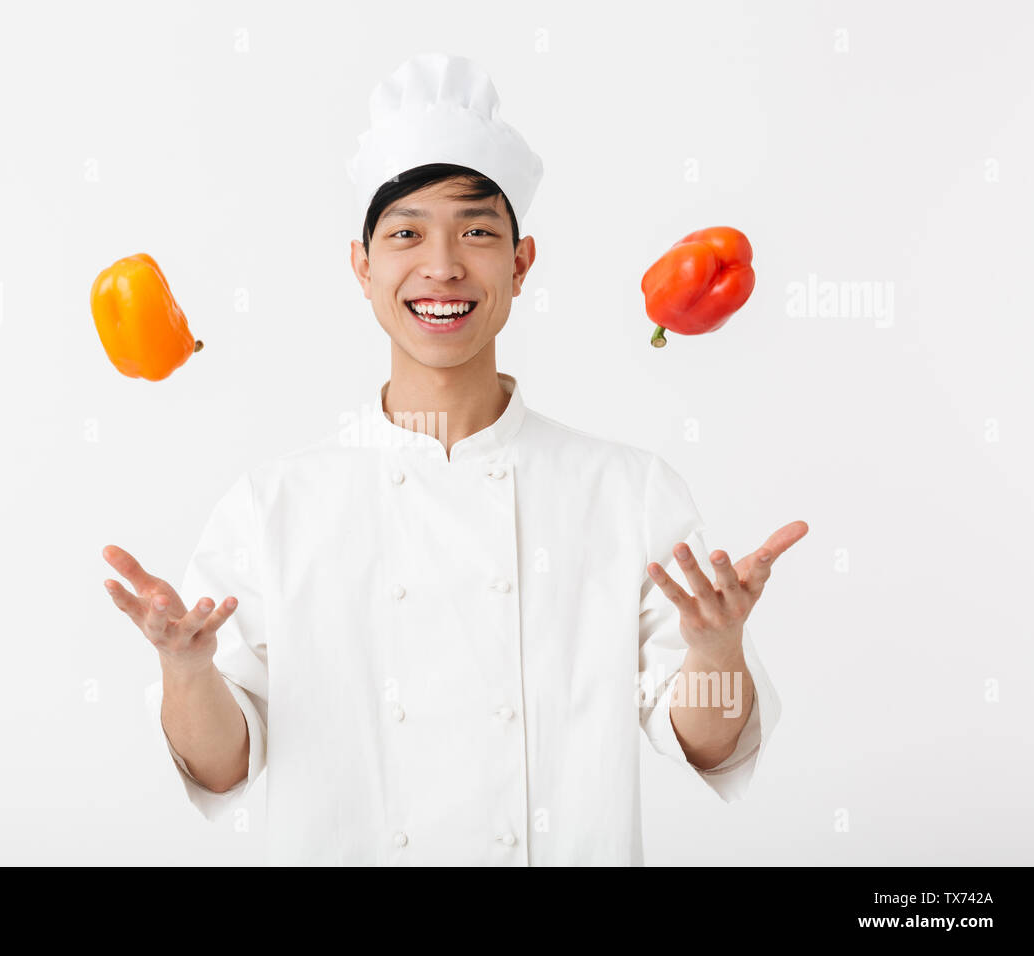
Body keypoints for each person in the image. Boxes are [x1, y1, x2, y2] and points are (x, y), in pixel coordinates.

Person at [103, 52, 808, 865]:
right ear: (363, 268)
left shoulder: (626, 493)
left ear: (521, 263)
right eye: (406, 233)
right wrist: (186, 672)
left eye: (477, 231)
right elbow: (220, 768)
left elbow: (711, 744)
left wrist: (717, 651)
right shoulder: (273, 507)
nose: (441, 266)